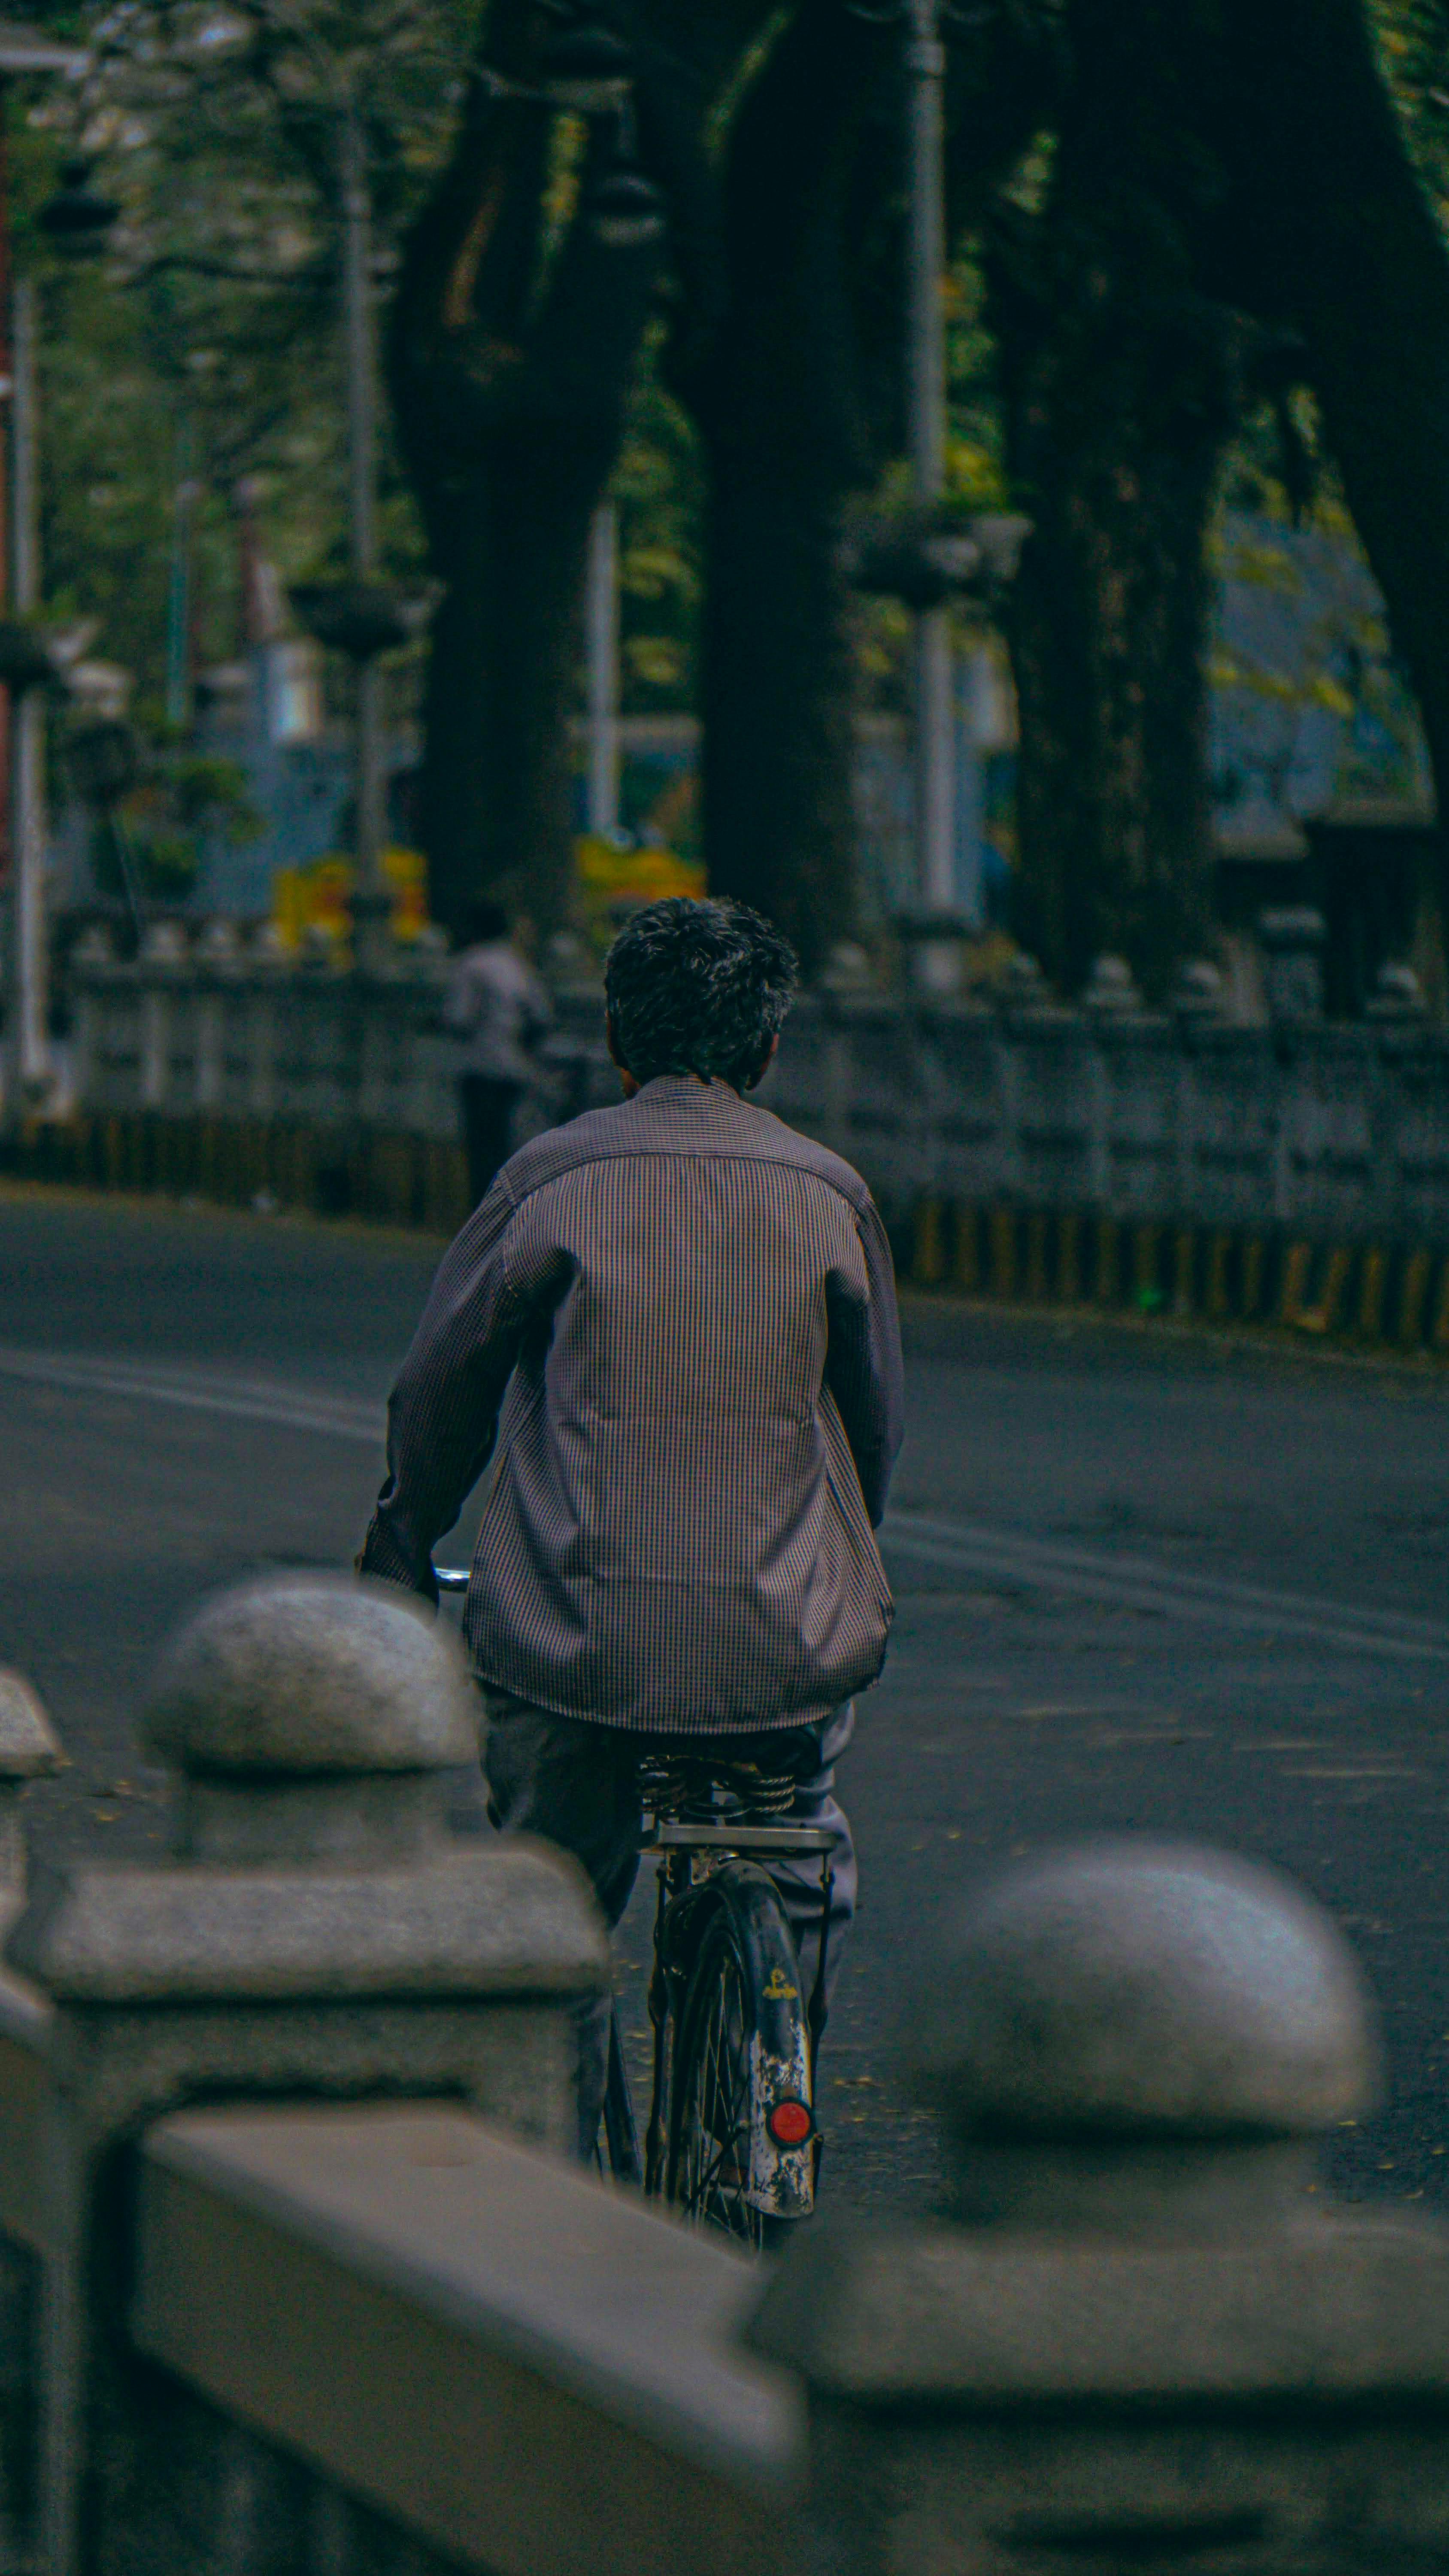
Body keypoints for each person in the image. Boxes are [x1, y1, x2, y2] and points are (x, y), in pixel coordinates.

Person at [359, 896, 904, 2158]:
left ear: (612, 1036)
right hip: (780, 1650)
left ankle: (570, 2162)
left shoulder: (548, 1177)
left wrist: (400, 1538)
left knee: (551, 1902)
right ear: (769, 1048)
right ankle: (776, 2104)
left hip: (572, 1641)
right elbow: (872, 1425)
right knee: (800, 1861)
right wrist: (839, 1552)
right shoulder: (829, 1192)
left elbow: (439, 1397)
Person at [445, 899, 552, 1206]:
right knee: (507, 1144)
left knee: (481, 1147)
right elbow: (541, 1017)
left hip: (480, 1065)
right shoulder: (517, 964)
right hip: (514, 1068)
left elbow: (459, 1018)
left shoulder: (470, 964)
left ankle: (482, 1213)